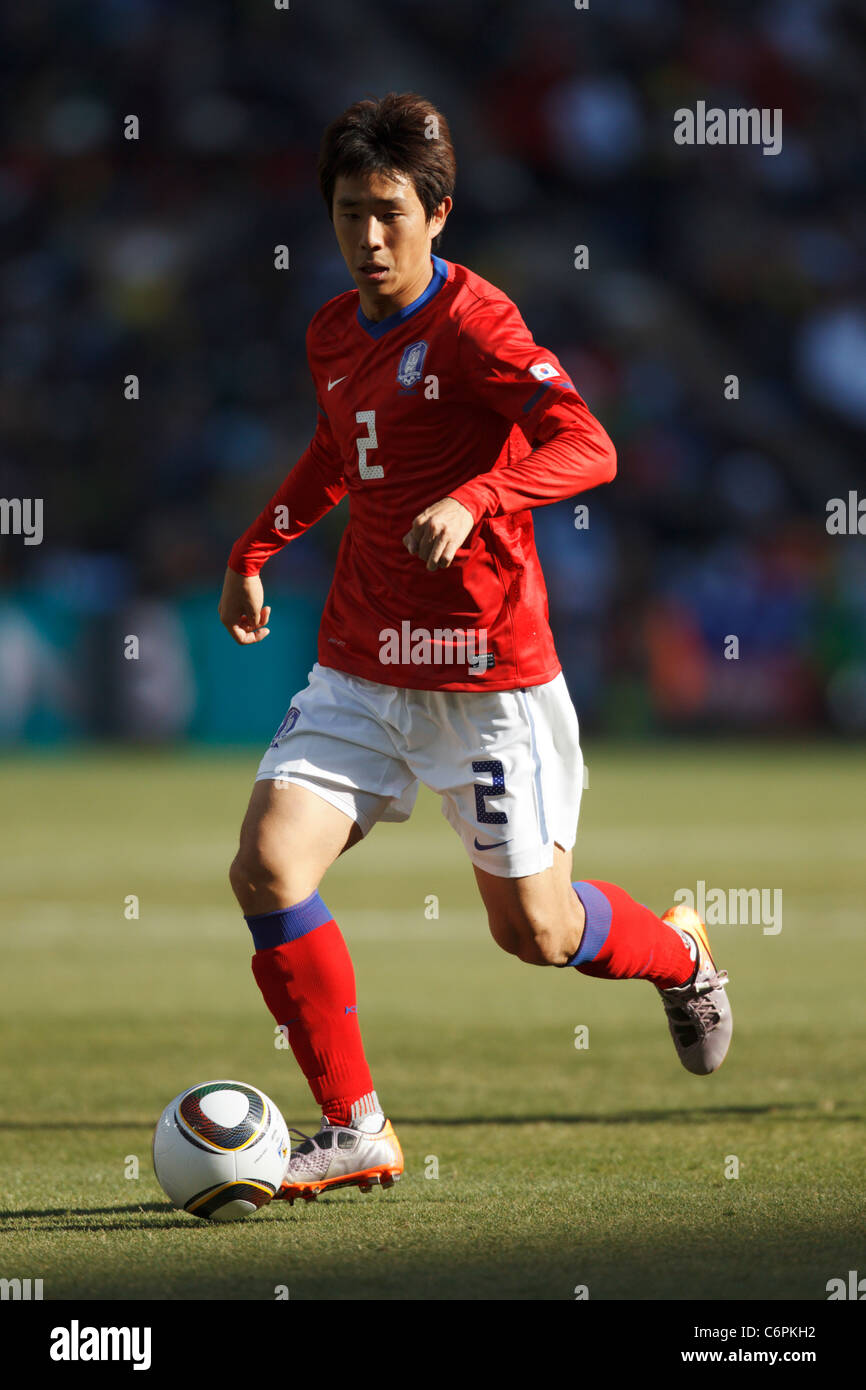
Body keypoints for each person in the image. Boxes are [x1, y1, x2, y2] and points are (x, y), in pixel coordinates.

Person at [218, 92, 732, 1204]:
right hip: (359, 663)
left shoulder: (475, 325)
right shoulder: (329, 332)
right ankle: (353, 1128)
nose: (367, 237)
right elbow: (333, 457)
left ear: (436, 213)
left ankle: (680, 953)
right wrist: (254, 547)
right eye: (350, 212)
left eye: (390, 213)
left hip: (485, 677)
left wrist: (480, 493)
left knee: (536, 934)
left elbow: (587, 443)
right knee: (265, 864)